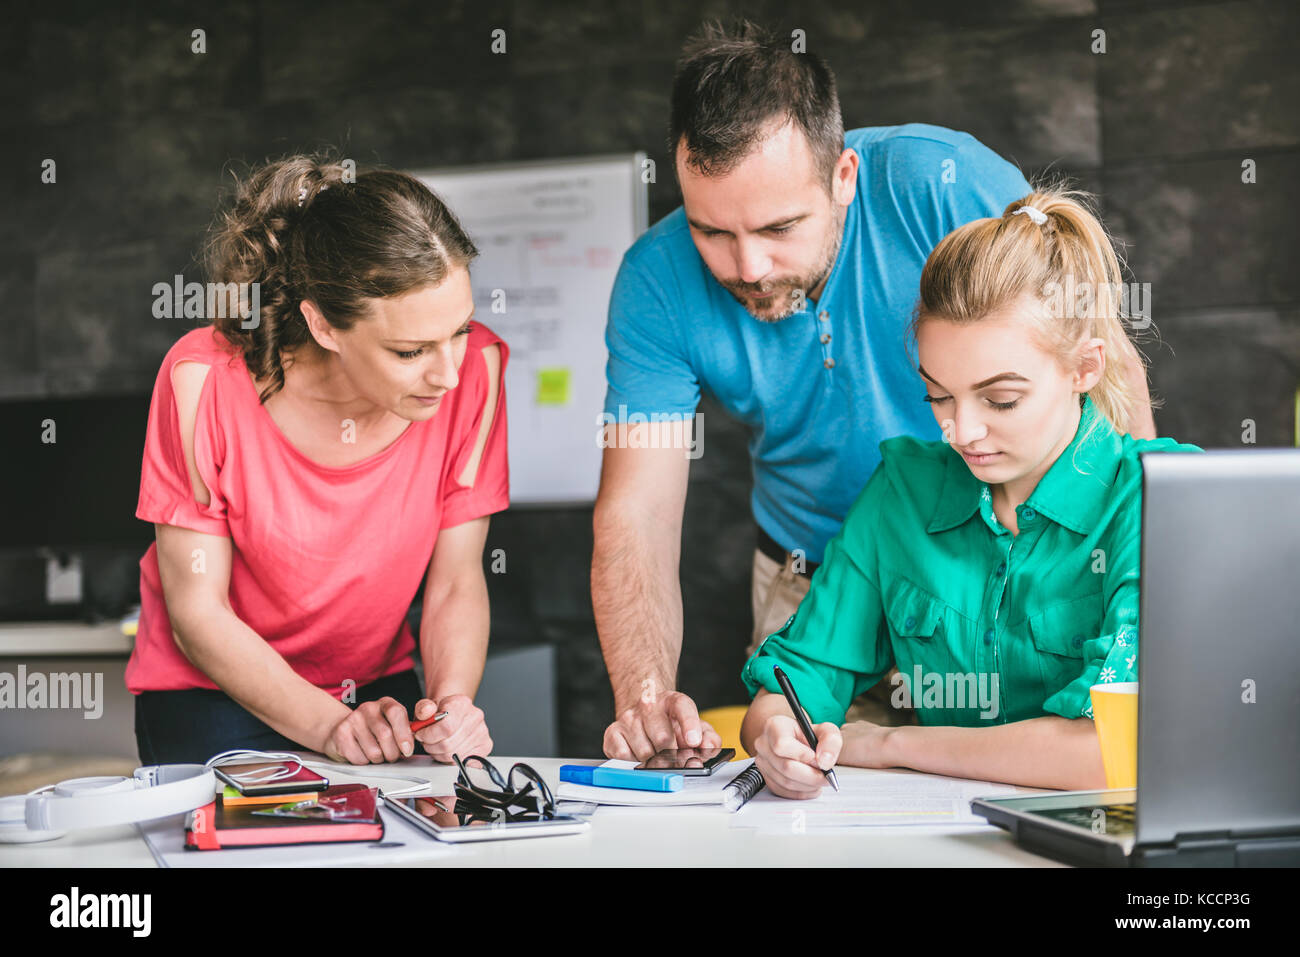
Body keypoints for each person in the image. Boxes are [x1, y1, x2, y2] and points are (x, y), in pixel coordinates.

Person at [593, 20, 1157, 761]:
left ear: (844, 176)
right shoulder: (654, 282)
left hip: (1010, 553)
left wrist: (1136, 544)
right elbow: (636, 509)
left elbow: (1091, 345)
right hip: (818, 575)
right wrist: (645, 700)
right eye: (711, 232)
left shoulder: (942, 182)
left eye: (778, 226)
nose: (750, 265)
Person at [739, 186, 1201, 796]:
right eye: (938, 395)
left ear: (1083, 369)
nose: (962, 430)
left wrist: (890, 742)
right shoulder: (902, 491)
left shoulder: (1158, 496)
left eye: (1001, 399)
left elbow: (1111, 752)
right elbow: (794, 684)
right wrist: (776, 737)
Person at [128, 155, 509, 766]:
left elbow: (458, 578)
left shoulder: (477, 372)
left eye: (459, 330)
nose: (448, 373)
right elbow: (197, 611)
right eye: (410, 350)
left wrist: (451, 707)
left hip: (379, 693)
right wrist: (329, 727)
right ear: (325, 325)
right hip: (213, 696)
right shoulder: (203, 380)